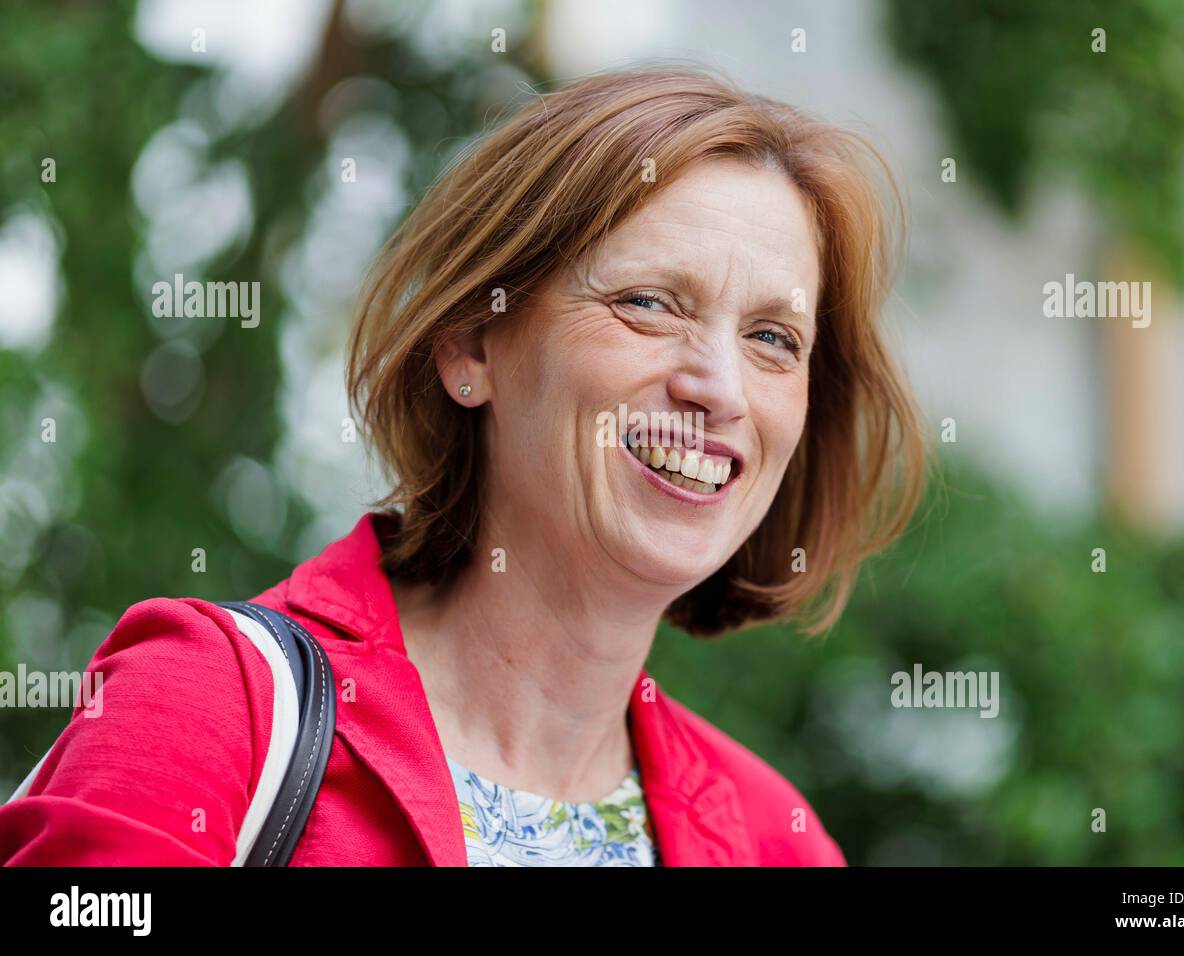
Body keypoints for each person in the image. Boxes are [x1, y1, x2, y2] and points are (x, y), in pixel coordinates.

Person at [0, 64, 926, 866]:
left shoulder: (779, 841)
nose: (719, 387)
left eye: (773, 337)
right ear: (472, 347)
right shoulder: (209, 712)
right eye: (649, 302)